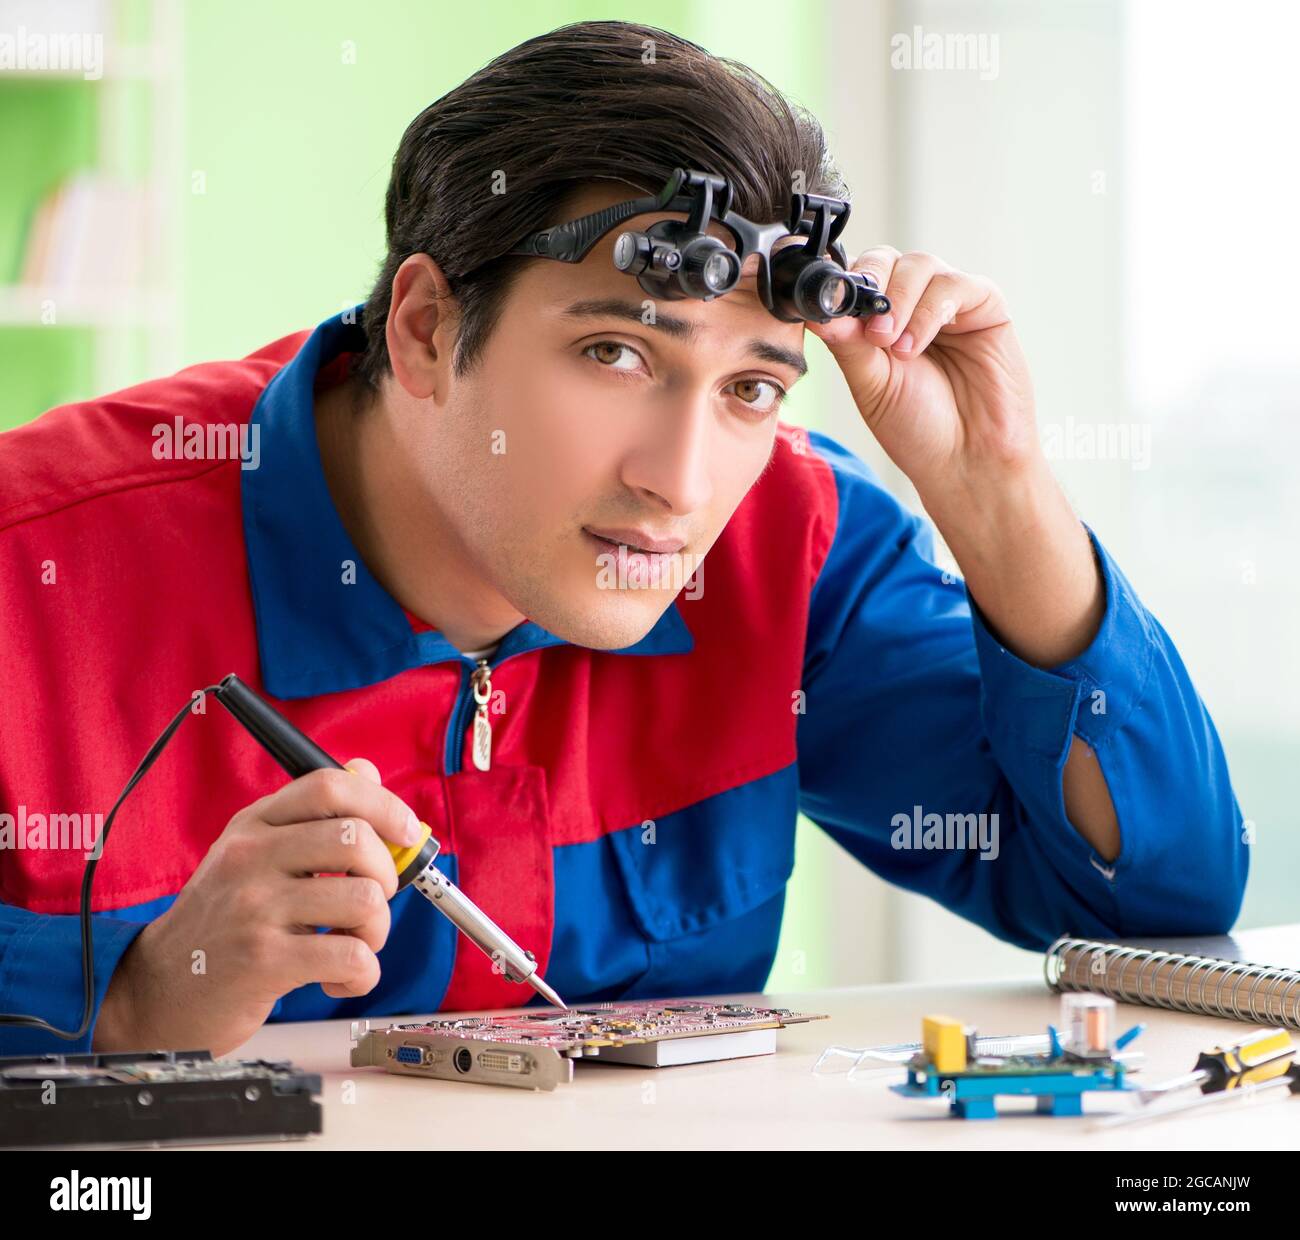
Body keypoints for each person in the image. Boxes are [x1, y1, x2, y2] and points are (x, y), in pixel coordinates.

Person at [0, 20, 1245, 1057]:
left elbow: (1155, 909)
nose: (680, 480)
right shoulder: (31, 567)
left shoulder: (795, 543)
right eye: (615, 353)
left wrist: (997, 492)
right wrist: (130, 1007)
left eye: (752, 388)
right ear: (429, 328)